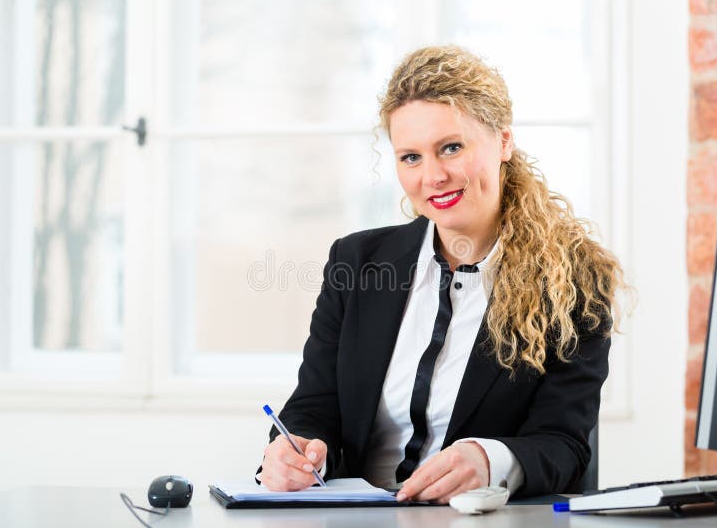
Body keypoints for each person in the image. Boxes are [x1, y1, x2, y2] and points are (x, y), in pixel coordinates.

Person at [255, 45, 627, 502]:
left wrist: (489, 460)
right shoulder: (355, 262)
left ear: (503, 142)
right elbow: (314, 406)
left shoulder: (573, 281)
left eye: (450, 148)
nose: (432, 176)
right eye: (410, 157)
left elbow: (564, 442)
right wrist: (296, 453)